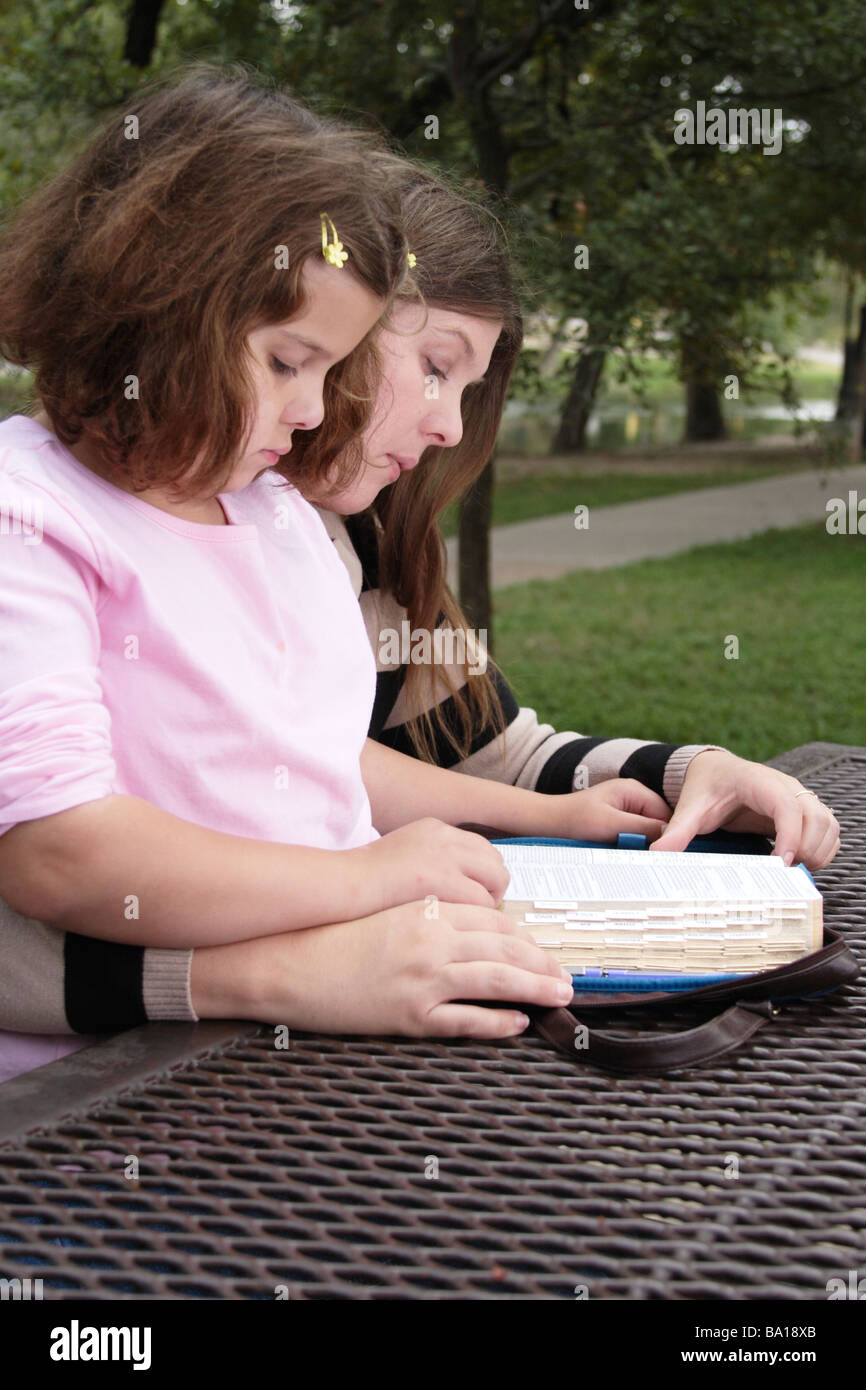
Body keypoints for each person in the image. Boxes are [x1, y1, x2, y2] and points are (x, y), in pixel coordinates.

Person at [0, 148, 840, 1061]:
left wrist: (685, 773)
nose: (448, 426)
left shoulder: (330, 530)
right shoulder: (62, 519)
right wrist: (315, 934)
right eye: (436, 367)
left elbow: (484, 745)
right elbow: (55, 869)